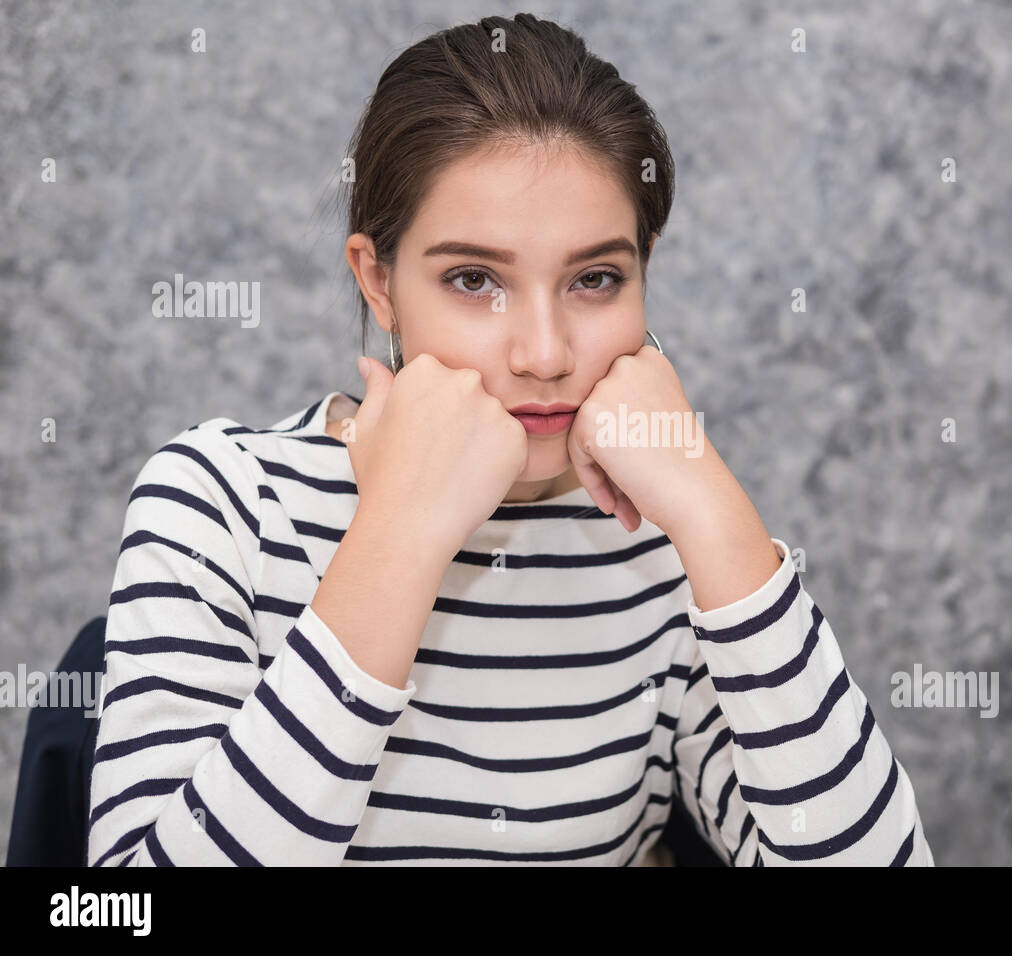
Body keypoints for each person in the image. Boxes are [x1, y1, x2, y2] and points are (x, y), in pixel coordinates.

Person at [88, 13, 933, 866]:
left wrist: (716, 520)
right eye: (473, 280)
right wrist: (403, 533)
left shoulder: (664, 544)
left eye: (596, 279)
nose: (544, 354)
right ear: (378, 281)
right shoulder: (223, 503)